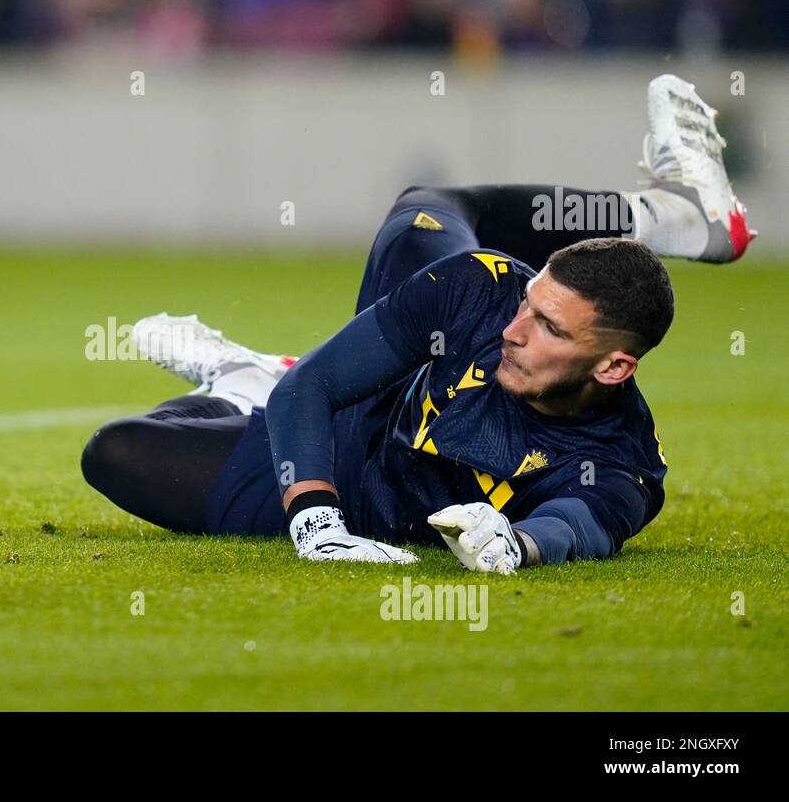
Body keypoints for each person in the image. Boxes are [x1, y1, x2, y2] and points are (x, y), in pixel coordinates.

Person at [81, 74, 754, 574]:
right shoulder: (480, 292)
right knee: (426, 212)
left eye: (549, 327)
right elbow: (308, 394)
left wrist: (516, 542)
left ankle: (242, 375)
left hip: (369, 492)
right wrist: (316, 522)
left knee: (121, 451)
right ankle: (678, 218)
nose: (513, 331)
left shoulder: (622, 462)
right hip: (357, 426)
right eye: (528, 302)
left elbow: (581, 524)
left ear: (613, 367)